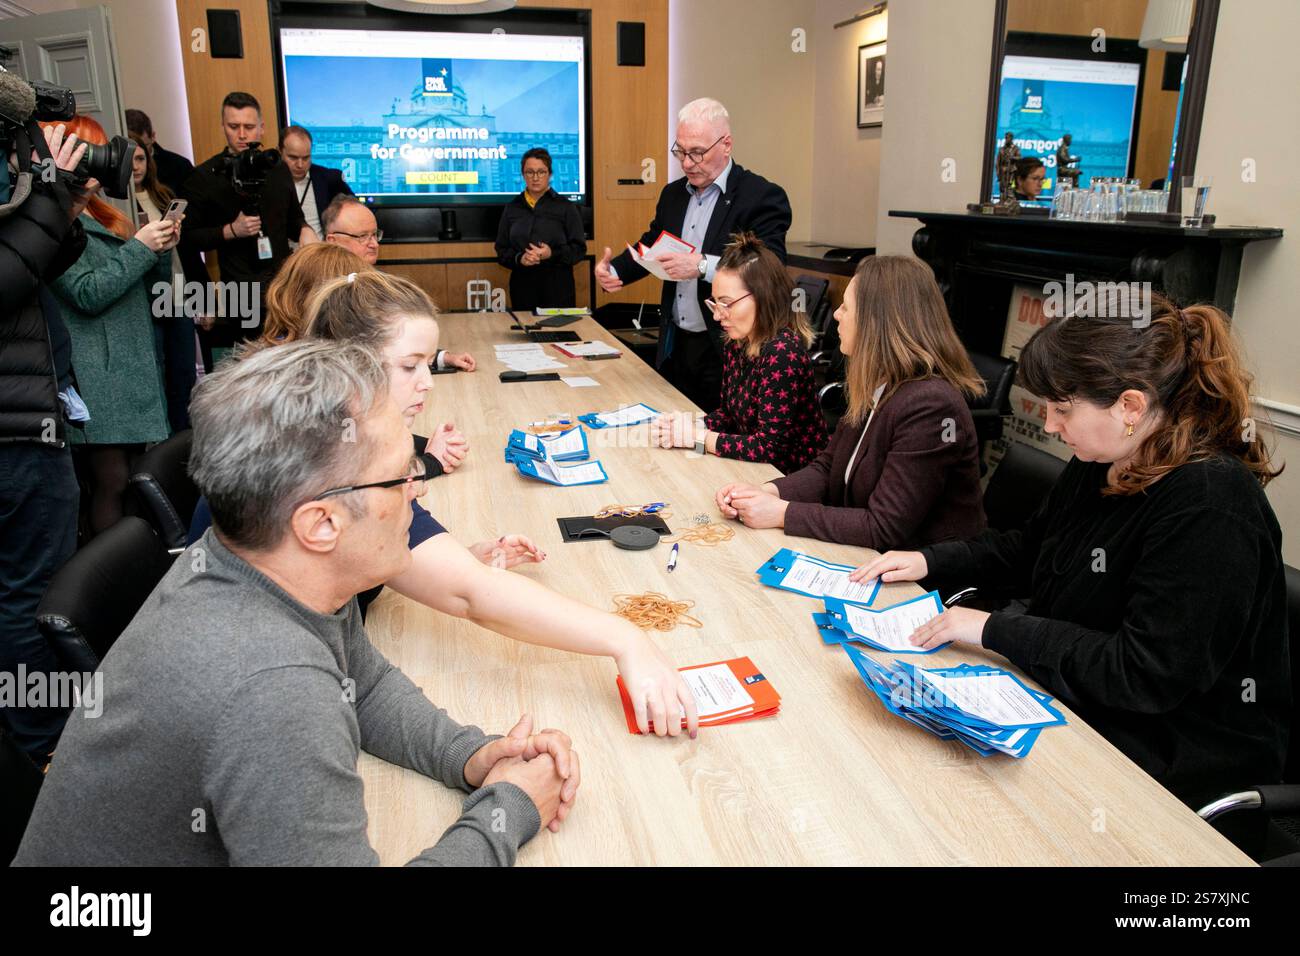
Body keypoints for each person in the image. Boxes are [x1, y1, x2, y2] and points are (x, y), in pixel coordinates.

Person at [15, 339, 579, 865]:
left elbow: (364, 684)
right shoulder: (271, 688)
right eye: (400, 475)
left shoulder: (261, 562)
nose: (418, 487)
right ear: (321, 524)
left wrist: (470, 756)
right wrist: (510, 808)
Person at [850, 297, 1290, 842]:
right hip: (1075, 707)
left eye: (1063, 409)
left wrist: (991, 628)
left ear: (1130, 404)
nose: (1052, 426)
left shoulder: (1211, 505)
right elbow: (1026, 550)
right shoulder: (1106, 459)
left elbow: (1143, 673)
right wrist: (928, 559)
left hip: (1168, 768)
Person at [189, 270, 700, 736]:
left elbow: (419, 570)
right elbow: (472, 596)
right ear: (348, 365)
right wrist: (626, 639)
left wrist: (437, 555)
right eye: (409, 366)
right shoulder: (328, 466)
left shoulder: (337, 436)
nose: (428, 382)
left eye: (428, 364)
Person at [716, 255, 985, 547]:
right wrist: (768, 492)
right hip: (868, 554)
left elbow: (883, 527)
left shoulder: (930, 406)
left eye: (846, 307)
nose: (836, 315)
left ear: (876, 322)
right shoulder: (881, 381)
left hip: (921, 577)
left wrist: (783, 513)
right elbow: (828, 467)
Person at [595, 97, 792, 413]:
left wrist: (702, 265)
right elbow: (653, 243)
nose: (687, 163)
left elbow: (771, 267)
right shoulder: (673, 194)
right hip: (676, 343)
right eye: (680, 152)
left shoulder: (761, 196)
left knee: (718, 438)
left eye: (697, 152)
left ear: (726, 145)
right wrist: (616, 271)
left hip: (728, 348)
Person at [0, 121, 90, 762]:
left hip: (31, 421)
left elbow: (38, 264)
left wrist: (66, 206)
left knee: (34, 591)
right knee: (29, 599)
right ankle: (42, 745)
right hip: (13, 438)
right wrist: (47, 196)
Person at [46, 116, 180, 535]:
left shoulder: (104, 215)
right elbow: (86, 293)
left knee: (135, 480)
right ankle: (109, 582)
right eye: (96, 152)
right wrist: (140, 249)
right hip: (97, 374)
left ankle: (135, 568)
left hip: (127, 369)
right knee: (111, 482)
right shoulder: (53, 223)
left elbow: (151, 292)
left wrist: (158, 250)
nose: (108, 164)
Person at [651, 232, 826, 473]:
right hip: (752, 470)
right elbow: (731, 415)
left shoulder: (783, 353)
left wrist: (696, 437)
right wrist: (691, 424)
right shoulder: (737, 340)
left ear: (764, 297)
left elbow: (769, 447)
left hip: (789, 480)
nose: (716, 315)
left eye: (726, 303)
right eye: (714, 302)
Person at [179, 92, 316, 351]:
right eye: (234, 126)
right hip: (240, 292)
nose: (242, 134)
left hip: (283, 286)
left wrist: (305, 231)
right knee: (249, 368)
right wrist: (230, 231)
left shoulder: (277, 168)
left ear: (262, 129)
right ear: (223, 127)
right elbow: (188, 237)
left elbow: (294, 219)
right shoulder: (205, 177)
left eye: (249, 127)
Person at [322, 194, 475, 372]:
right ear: (333, 240)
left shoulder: (376, 283)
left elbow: (391, 340)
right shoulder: (323, 290)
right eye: (362, 236)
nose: (374, 244)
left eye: (374, 235)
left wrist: (443, 358)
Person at [130, 131, 199, 433]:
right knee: (158, 374)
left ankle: (184, 438)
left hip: (178, 294)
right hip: (144, 299)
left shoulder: (162, 195)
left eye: (141, 158)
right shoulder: (112, 202)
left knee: (184, 374)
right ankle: (164, 441)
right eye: (129, 160)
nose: (136, 166)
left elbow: (184, 252)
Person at [495, 147, 586, 311]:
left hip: (558, 292)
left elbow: (579, 250)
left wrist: (551, 253)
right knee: (526, 336)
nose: (535, 177)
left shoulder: (566, 207)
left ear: (550, 175)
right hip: (523, 291)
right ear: (523, 175)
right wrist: (519, 258)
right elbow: (501, 250)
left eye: (541, 172)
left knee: (560, 336)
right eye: (529, 172)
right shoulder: (512, 208)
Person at [280, 124, 353, 241]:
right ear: (280, 152)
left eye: (306, 158)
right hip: (282, 256)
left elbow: (354, 208)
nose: (300, 165)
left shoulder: (329, 179)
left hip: (319, 254)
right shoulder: (267, 180)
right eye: (293, 158)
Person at [125, 108, 193, 196]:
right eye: (131, 149)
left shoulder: (180, 166)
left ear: (153, 137)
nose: (135, 166)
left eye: (144, 146)